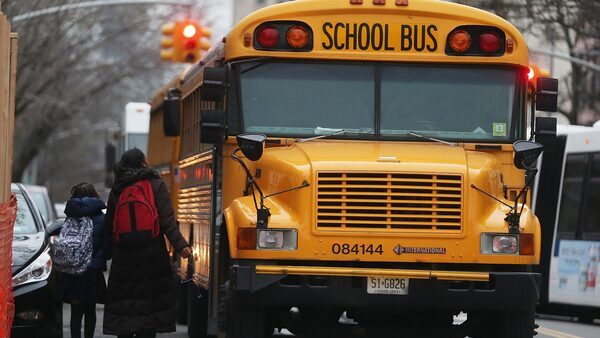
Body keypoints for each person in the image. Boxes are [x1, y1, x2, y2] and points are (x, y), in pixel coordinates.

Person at [103, 148, 192, 338]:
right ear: (143, 163)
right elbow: (167, 220)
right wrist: (181, 246)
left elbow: (109, 223)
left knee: (125, 306)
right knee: (149, 307)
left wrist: (105, 252)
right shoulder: (155, 184)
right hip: (152, 253)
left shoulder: (118, 187)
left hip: (124, 255)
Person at [56, 183, 111, 338]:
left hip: (73, 270)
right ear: (94, 196)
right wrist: (101, 259)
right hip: (92, 271)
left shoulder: (71, 217)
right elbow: (107, 245)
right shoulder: (102, 218)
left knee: (76, 311)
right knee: (90, 310)